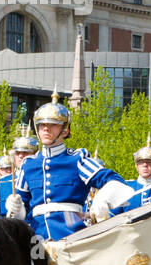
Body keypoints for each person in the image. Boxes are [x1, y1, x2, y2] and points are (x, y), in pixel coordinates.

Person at [7, 92, 128, 241]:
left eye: (53, 124)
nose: (46, 128)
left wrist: (102, 199)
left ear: (65, 130)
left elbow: (114, 181)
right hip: (36, 237)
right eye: (42, 124)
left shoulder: (77, 159)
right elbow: (22, 208)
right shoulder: (28, 164)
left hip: (71, 235)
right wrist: (16, 208)